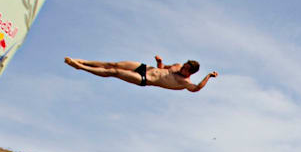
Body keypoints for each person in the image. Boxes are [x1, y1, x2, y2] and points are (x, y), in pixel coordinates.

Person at [64, 55, 218, 92]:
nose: (182, 69)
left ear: (190, 72)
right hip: (146, 68)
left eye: (185, 69)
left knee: (115, 72)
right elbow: (164, 67)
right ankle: (83, 61)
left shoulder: (184, 82)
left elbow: (197, 88)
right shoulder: (177, 66)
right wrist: (159, 62)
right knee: (114, 64)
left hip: (144, 79)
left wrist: (208, 76)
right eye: (183, 66)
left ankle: (81, 67)